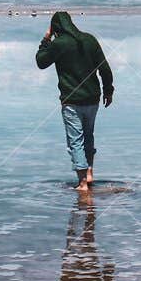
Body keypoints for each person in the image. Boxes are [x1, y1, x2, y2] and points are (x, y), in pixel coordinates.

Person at [35, 10, 113, 191]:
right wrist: (108, 90)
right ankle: (90, 172)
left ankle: (83, 183)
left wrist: (46, 39)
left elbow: (40, 62)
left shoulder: (58, 44)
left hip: (71, 100)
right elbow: (105, 69)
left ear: (55, 28)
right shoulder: (90, 40)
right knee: (88, 136)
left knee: (75, 141)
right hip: (93, 99)